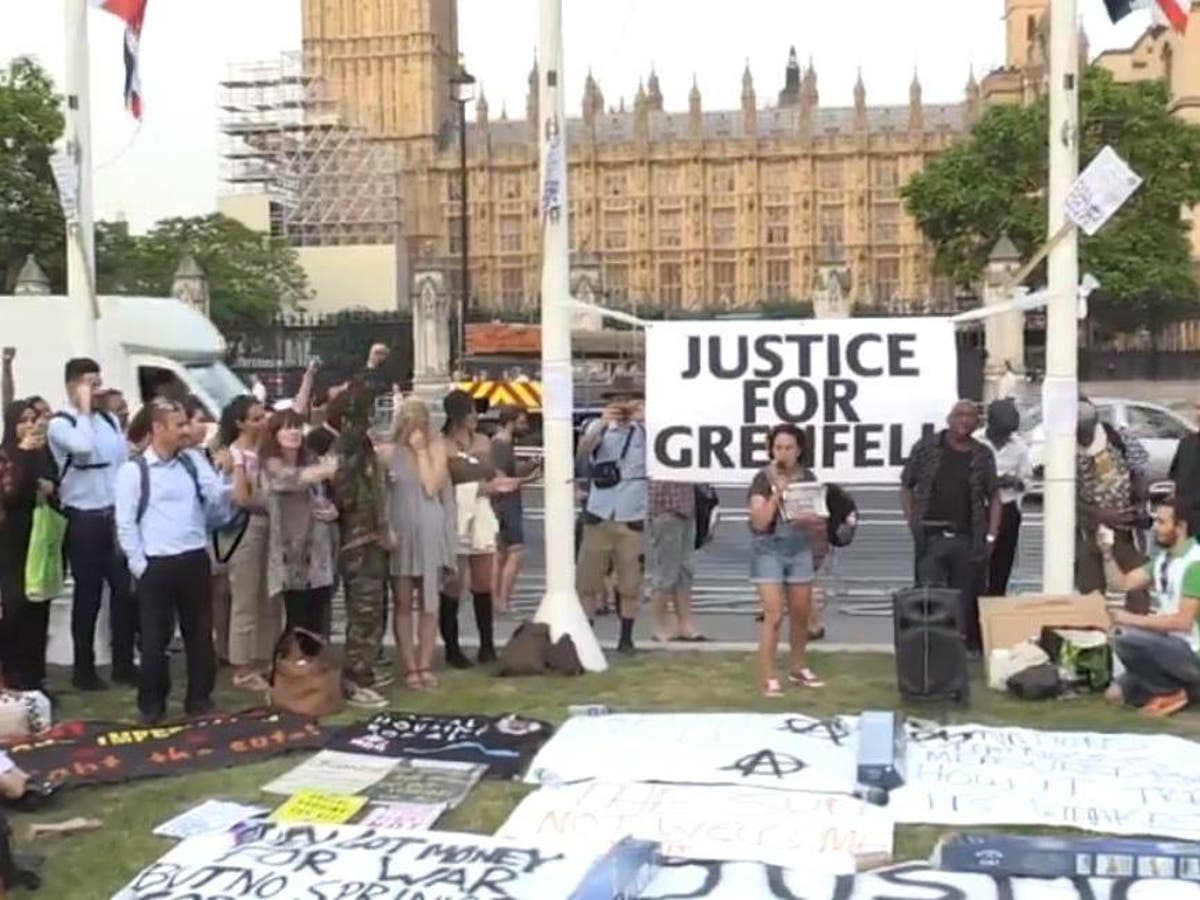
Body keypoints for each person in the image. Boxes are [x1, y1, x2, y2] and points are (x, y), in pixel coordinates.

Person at [114, 398, 232, 724]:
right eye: (178, 425)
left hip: (194, 558)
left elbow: (216, 507)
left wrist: (222, 479)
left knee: (200, 635)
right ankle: (152, 705)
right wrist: (141, 567)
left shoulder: (193, 462)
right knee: (154, 640)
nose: (185, 431)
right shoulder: (134, 471)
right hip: (157, 563)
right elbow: (125, 524)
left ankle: (200, 699)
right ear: (157, 428)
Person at [46, 357, 137, 691]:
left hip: (112, 515)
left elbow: (121, 464)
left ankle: (124, 664)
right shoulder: (62, 424)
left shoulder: (109, 420)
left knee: (125, 592)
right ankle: (83, 669)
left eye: (99, 383)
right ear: (73, 386)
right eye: (90, 384)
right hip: (83, 517)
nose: (98, 390)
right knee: (89, 594)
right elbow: (82, 449)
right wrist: (83, 409)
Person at [901, 399, 1000, 654]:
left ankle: (958, 650)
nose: (964, 420)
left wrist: (991, 535)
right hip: (930, 537)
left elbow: (994, 496)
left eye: (970, 416)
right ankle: (929, 650)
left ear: (977, 423)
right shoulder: (927, 447)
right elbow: (907, 484)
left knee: (964, 598)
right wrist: (912, 521)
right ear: (949, 419)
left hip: (967, 538)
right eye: (959, 415)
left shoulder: (982, 454)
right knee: (929, 596)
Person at [747, 425, 827, 696]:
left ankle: (798, 667)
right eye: (778, 447)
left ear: (799, 450)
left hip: (799, 547)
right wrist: (776, 494)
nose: (783, 453)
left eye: (788, 448)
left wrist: (813, 520)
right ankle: (768, 676)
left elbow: (818, 518)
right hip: (768, 548)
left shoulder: (808, 477)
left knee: (801, 613)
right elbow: (759, 522)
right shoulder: (762, 478)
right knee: (773, 614)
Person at [1101, 499, 1200, 717]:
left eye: (1161, 522)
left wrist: (1130, 619)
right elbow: (1122, 583)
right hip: (1169, 648)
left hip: (1191, 651)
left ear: (1180, 527)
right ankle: (1183, 691)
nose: (1155, 528)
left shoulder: (1195, 564)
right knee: (1114, 696)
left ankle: (1170, 692)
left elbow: (1182, 622)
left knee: (1122, 635)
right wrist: (1107, 553)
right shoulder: (1163, 560)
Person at [441, 390, 519, 666]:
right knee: (454, 583)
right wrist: (477, 488)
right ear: (458, 415)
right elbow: (441, 484)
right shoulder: (442, 444)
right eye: (472, 411)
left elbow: (491, 475)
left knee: (483, 581)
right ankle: (452, 648)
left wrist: (503, 483)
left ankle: (487, 646)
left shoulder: (483, 441)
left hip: (482, 514)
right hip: (455, 516)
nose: (476, 416)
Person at [385, 396, 456, 689]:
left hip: (430, 530)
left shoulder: (436, 447)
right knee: (402, 602)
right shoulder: (389, 452)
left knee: (429, 602)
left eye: (421, 423)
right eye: (410, 423)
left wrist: (422, 451)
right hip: (401, 530)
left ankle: (425, 663)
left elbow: (431, 486)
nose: (416, 429)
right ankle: (409, 665)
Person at [575, 377, 648, 653]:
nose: (623, 406)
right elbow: (583, 452)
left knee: (630, 582)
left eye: (628, 400)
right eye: (618, 401)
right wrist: (603, 423)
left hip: (631, 515)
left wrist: (644, 419)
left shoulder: (645, 431)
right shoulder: (597, 427)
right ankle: (587, 632)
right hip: (599, 511)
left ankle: (626, 639)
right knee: (589, 579)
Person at [329, 383, 389, 709]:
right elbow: (346, 495)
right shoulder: (347, 449)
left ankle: (365, 669)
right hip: (357, 540)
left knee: (373, 609)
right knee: (364, 611)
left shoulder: (361, 446)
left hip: (371, 537)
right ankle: (355, 677)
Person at [259, 409, 339, 638]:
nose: (293, 432)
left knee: (318, 619)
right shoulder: (270, 463)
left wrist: (332, 509)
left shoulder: (311, 458)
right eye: (286, 428)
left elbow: (324, 492)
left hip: (318, 549)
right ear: (275, 434)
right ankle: (290, 659)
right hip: (290, 552)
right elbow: (290, 479)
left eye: (296, 427)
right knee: (296, 621)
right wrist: (325, 470)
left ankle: (313, 658)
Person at [0, 397, 54, 690]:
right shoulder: (8, 455)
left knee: (38, 605)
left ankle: (36, 676)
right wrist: (23, 454)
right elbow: (10, 494)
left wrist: (49, 485)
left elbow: (55, 481)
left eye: (33, 419)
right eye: (23, 421)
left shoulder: (42, 451)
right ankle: (12, 673)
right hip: (11, 540)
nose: (30, 426)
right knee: (15, 606)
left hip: (39, 535)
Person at [224, 397, 277, 692]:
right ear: (240, 423)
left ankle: (265, 659)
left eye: (263, 416)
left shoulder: (268, 450)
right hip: (246, 527)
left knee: (270, 598)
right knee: (245, 598)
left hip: (272, 527)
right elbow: (241, 498)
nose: (263, 422)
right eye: (255, 419)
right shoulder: (233, 454)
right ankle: (242, 667)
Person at [1076, 397, 1151, 604]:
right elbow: (1067, 496)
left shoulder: (1118, 437)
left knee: (1137, 583)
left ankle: (1138, 621)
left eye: (1086, 431)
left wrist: (1139, 506)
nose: (1084, 437)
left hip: (1125, 529)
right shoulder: (1064, 450)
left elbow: (1140, 471)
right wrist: (1097, 514)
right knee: (1091, 590)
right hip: (1088, 530)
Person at [977, 398, 1032, 596]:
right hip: (978, 510)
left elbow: (1026, 481)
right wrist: (994, 481)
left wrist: (1015, 482)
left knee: (1002, 565)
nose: (1005, 436)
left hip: (1008, 510)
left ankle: (996, 601)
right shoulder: (976, 441)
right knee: (975, 565)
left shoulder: (1019, 446)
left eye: (1007, 433)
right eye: (1001, 432)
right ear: (991, 424)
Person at [489, 405, 540, 614]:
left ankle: (497, 601)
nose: (525, 427)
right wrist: (527, 479)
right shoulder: (501, 444)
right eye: (521, 422)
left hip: (504, 501)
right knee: (515, 551)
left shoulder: (503, 443)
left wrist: (530, 466)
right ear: (510, 422)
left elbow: (510, 471)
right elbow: (501, 479)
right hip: (506, 502)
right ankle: (502, 600)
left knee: (500, 552)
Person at [646, 478, 706, 643]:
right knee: (665, 572)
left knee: (685, 570)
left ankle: (685, 624)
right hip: (666, 509)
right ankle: (660, 625)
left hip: (687, 508)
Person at [1169, 399, 1200, 538]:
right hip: (1185, 524)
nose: (1198, 414)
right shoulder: (1186, 444)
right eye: (1198, 409)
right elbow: (1175, 479)